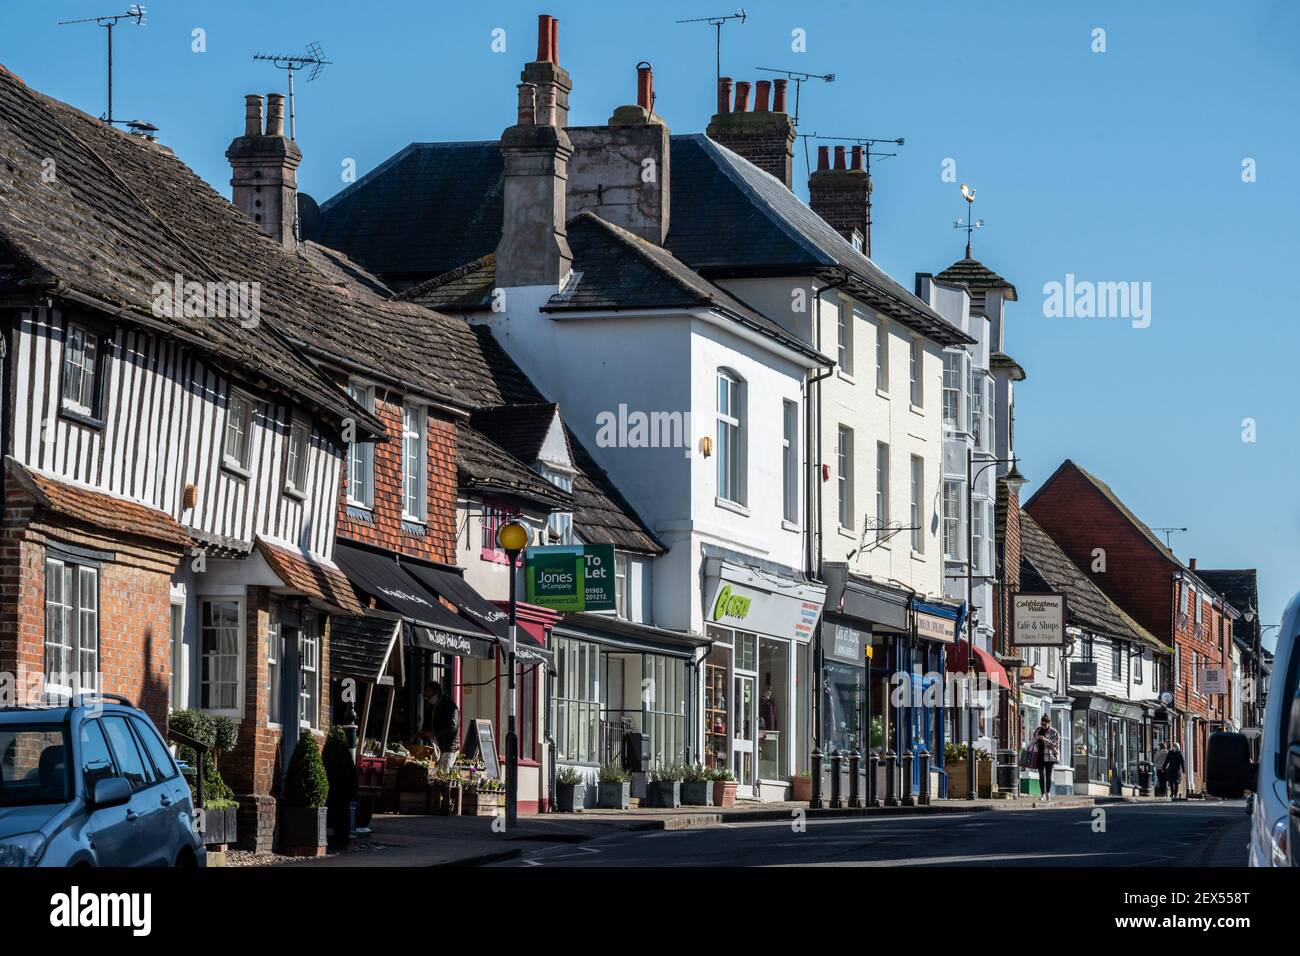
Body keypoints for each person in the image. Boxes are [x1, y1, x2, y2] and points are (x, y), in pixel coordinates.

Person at [418, 681, 460, 771]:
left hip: (448, 747)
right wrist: (423, 732)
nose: (425, 695)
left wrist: (434, 734)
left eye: (428, 691)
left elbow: (452, 727)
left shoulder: (450, 706)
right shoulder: (431, 706)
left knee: (443, 774)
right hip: (436, 746)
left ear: (436, 692)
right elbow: (428, 724)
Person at [1033, 715, 1060, 802]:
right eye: (1041, 724)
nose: (1043, 726)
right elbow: (1033, 741)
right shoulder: (1038, 730)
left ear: (1049, 723)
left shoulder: (1053, 731)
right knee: (1041, 775)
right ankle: (1042, 794)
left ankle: (1048, 793)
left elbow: (1055, 744)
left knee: (1048, 776)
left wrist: (1045, 739)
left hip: (1049, 756)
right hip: (1039, 756)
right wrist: (1036, 739)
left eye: (1044, 724)